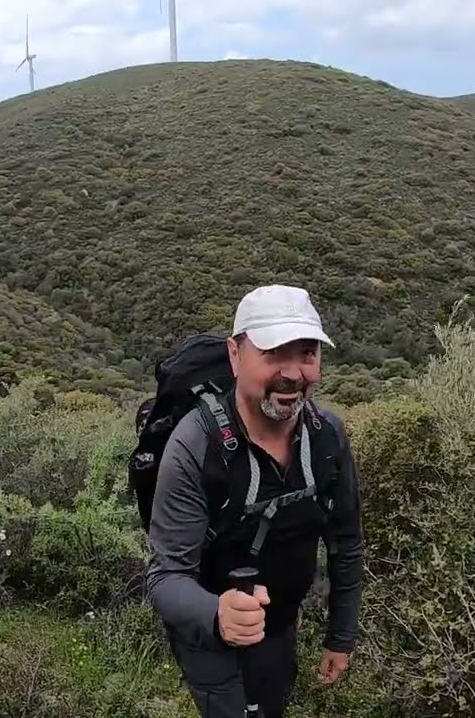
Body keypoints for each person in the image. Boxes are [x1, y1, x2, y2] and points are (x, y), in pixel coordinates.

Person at [144, 285, 363, 718]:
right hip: (207, 631)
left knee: (269, 707)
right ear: (235, 354)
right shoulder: (196, 445)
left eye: (307, 354)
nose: (294, 373)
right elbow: (165, 577)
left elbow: (346, 539)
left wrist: (341, 635)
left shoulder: (326, 438)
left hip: (279, 625)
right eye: (274, 354)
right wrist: (216, 613)